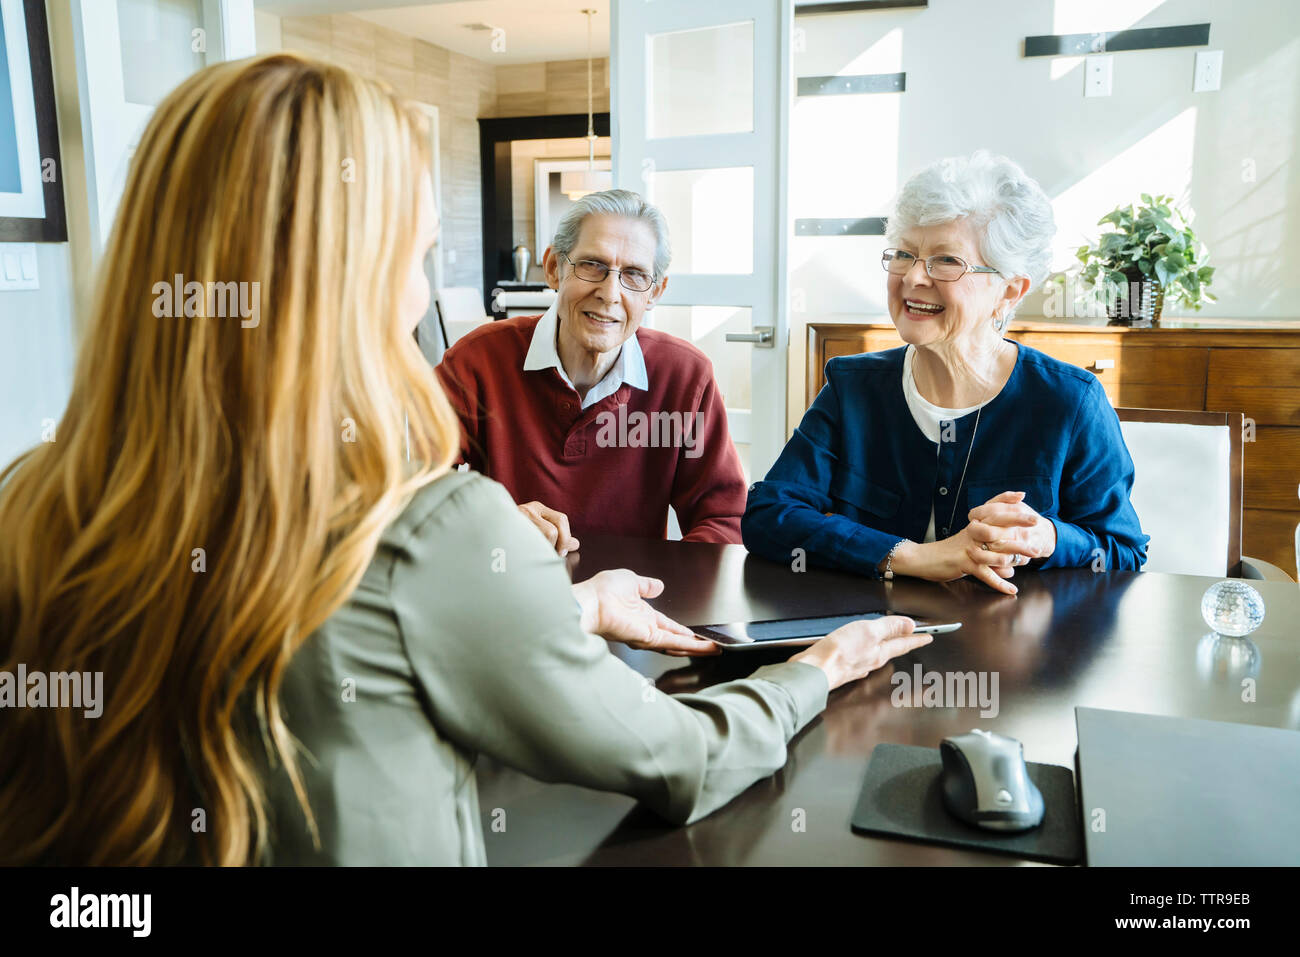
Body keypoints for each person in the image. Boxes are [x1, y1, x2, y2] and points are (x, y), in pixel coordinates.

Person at [0, 54, 932, 866]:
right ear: (361, 275)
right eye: (419, 253)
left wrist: (563, 606)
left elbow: (335, 641)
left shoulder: (27, 503)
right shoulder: (425, 531)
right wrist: (819, 665)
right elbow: (680, 760)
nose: (420, 287)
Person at [744, 151, 1148, 593]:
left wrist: (1048, 536)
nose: (914, 277)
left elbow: (1122, 550)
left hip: (1015, 650)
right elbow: (770, 515)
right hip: (870, 640)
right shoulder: (852, 387)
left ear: (1009, 291)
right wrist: (912, 556)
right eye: (904, 254)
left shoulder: (1070, 401)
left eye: (946, 261)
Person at [435, 189, 747, 553]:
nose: (610, 293)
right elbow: (406, 488)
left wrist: (660, 591)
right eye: (592, 265)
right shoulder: (478, 360)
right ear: (554, 268)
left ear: (655, 292)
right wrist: (488, 522)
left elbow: (723, 518)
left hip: (633, 600)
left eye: (634, 275)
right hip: (507, 594)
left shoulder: (686, 377)